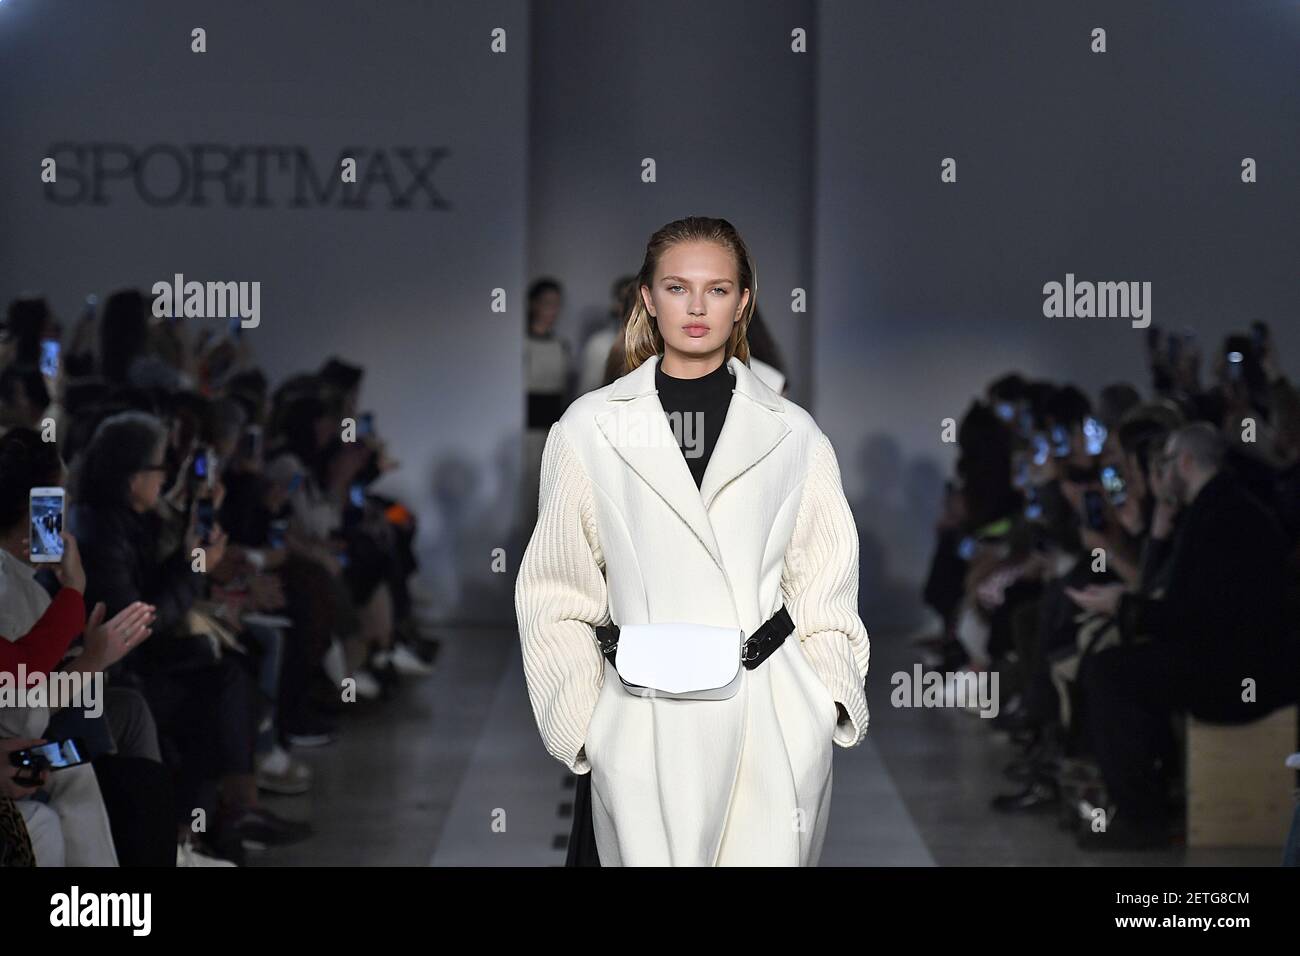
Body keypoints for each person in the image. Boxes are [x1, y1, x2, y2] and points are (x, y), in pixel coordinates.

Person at [515, 216, 870, 866]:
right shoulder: (590, 429)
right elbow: (557, 589)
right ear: (648, 298)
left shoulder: (793, 434)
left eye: (717, 288)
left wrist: (825, 703)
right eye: (678, 287)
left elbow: (826, 582)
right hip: (642, 718)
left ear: (743, 301)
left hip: (769, 715)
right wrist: (584, 724)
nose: (698, 307)